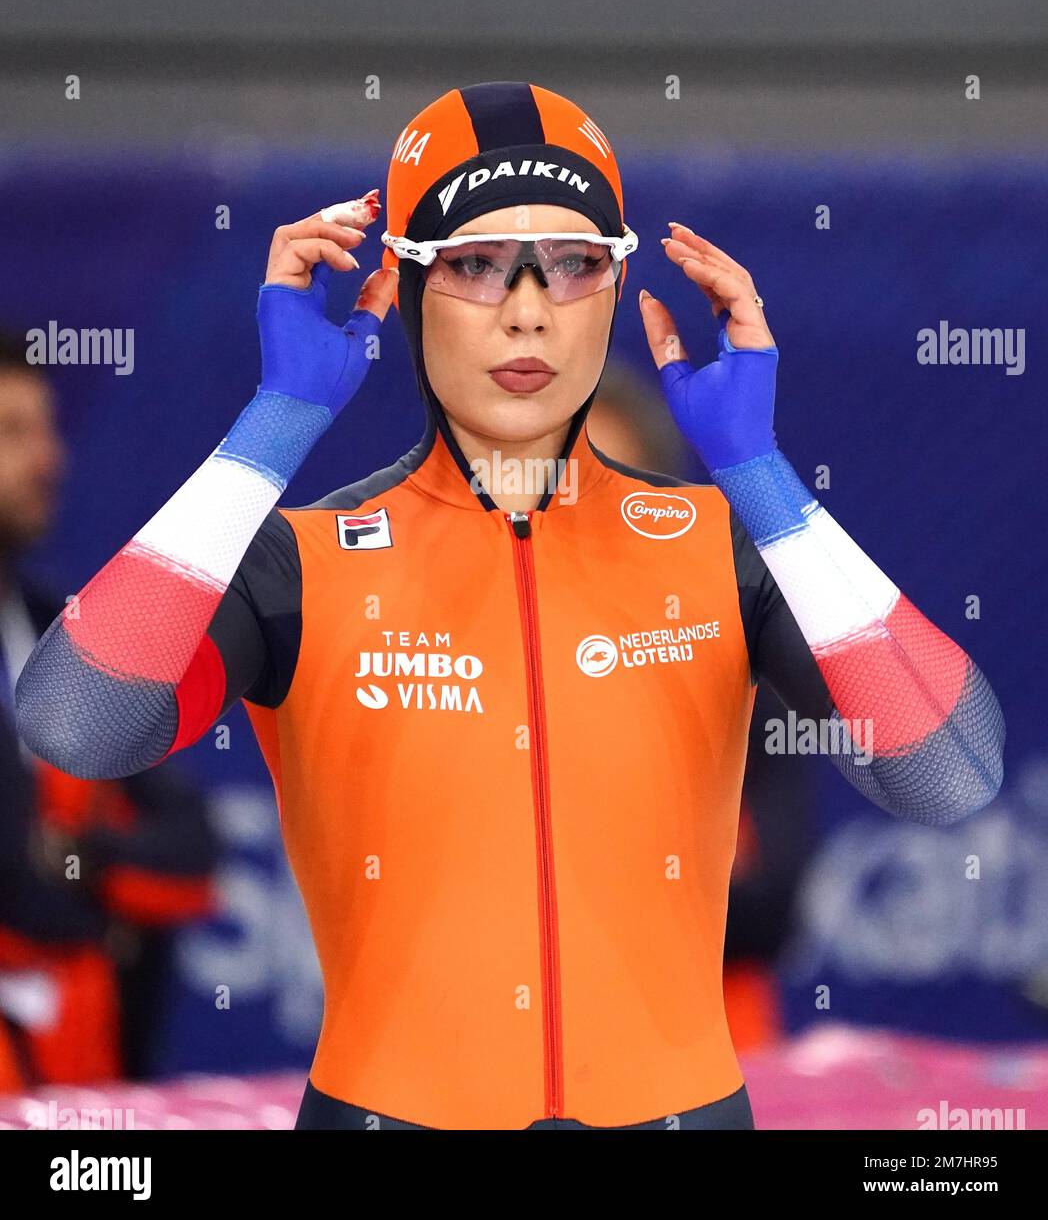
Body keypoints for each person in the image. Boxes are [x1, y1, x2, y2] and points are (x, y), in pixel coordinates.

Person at [15, 81, 1005, 1130]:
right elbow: (74, 724)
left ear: (618, 287)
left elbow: (947, 772)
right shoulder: (294, 565)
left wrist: (759, 475)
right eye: (476, 264)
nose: (528, 307)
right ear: (401, 284)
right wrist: (274, 422)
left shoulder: (729, 550)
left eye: (573, 263)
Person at [0, 333, 217, 1088]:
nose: (48, 460)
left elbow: (191, 841)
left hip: (79, 1081)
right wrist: (98, 904)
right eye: (12, 432)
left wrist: (85, 859)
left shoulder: (57, 624)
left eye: (46, 430)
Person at [587, 363, 815, 1054]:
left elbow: (769, 911)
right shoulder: (454, 662)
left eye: (611, 485)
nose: (578, 512)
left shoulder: (735, 661)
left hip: (718, 1065)